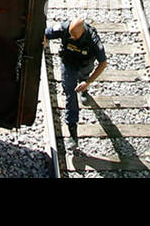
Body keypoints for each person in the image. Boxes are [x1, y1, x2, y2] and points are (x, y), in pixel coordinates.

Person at [44, 16, 108, 145]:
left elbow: (103, 64)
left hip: (85, 66)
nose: (71, 38)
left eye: (74, 36)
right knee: (70, 92)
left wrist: (88, 82)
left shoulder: (93, 40)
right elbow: (44, 33)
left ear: (82, 32)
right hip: (69, 64)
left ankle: (84, 90)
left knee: (83, 81)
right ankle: (72, 128)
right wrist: (44, 41)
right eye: (70, 35)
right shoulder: (63, 28)